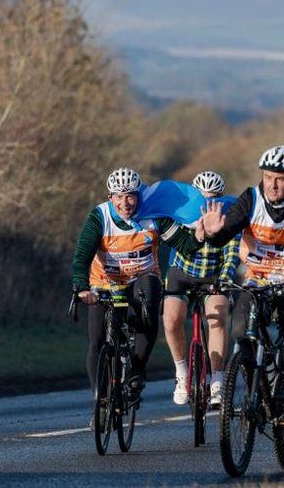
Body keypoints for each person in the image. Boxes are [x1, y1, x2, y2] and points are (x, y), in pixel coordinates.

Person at [199, 145, 284, 428]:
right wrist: (213, 233)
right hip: (258, 279)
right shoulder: (251, 198)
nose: (272, 184)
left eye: (280, 178)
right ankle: (256, 385)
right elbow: (228, 231)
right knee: (240, 331)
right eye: (268, 176)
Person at [72, 167, 203, 405]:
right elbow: (82, 256)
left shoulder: (154, 216)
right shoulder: (99, 217)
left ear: (139, 195)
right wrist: (81, 287)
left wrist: (202, 235)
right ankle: (100, 400)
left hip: (142, 277)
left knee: (150, 305)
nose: (125, 203)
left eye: (130, 196)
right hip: (105, 280)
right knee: (97, 339)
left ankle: (136, 370)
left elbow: (185, 244)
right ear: (110, 197)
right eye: (119, 197)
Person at [162, 171, 239, 407]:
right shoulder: (183, 216)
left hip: (213, 276)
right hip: (182, 274)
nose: (207, 205)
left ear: (221, 199)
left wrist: (224, 281)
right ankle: (181, 373)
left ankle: (217, 380)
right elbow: (173, 242)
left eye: (213, 198)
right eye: (202, 198)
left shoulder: (228, 218)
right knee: (172, 319)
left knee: (217, 316)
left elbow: (232, 256)